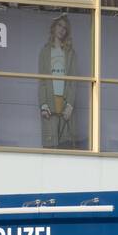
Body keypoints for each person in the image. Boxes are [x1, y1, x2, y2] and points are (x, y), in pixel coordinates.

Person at [39, 14, 81, 149]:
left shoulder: (70, 53)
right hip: (50, 104)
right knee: (50, 146)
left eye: (65, 27)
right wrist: (43, 104)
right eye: (59, 25)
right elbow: (42, 81)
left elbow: (74, 81)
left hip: (65, 103)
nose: (62, 29)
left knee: (66, 146)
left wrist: (70, 105)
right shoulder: (45, 52)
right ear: (53, 27)